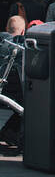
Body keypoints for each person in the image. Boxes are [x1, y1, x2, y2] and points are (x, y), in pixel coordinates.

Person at [0, 14, 25, 152]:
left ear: (6, 28)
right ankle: (10, 131)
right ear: (23, 31)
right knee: (30, 100)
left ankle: (8, 131)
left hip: (3, 90)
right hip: (12, 93)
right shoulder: (22, 47)